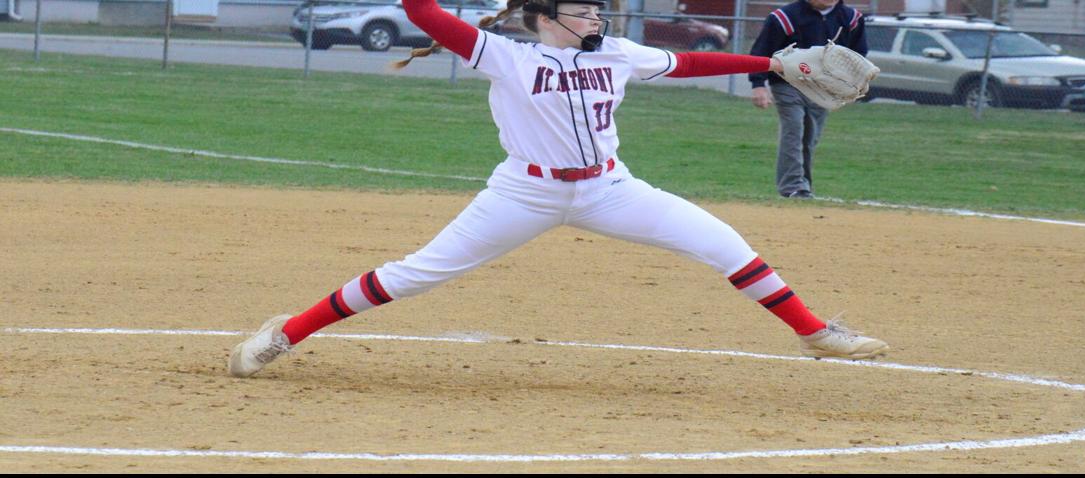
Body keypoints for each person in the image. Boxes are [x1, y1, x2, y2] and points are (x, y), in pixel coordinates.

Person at [229, 0, 886, 379]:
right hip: (523, 194)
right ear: (545, 18)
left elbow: (687, 62)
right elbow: (422, 12)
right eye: (581, 8)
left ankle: (814, 332)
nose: (595, 14)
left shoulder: (616, 52)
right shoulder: (505, 54)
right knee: (416, 273)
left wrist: (768, 62)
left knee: (723, 244)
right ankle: (286, 333)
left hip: (610, 189)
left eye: (597, 7)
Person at [747, 0, 867, 199]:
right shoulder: (785, 17)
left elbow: (858, 54)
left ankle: (803, 187)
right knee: (794, 130)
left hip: (822, 87)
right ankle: (793, 186)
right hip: (787, 83)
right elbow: (762, 52)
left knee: (810, 137)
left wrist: (851, 84)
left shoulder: (850, 19)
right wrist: (758, 84)